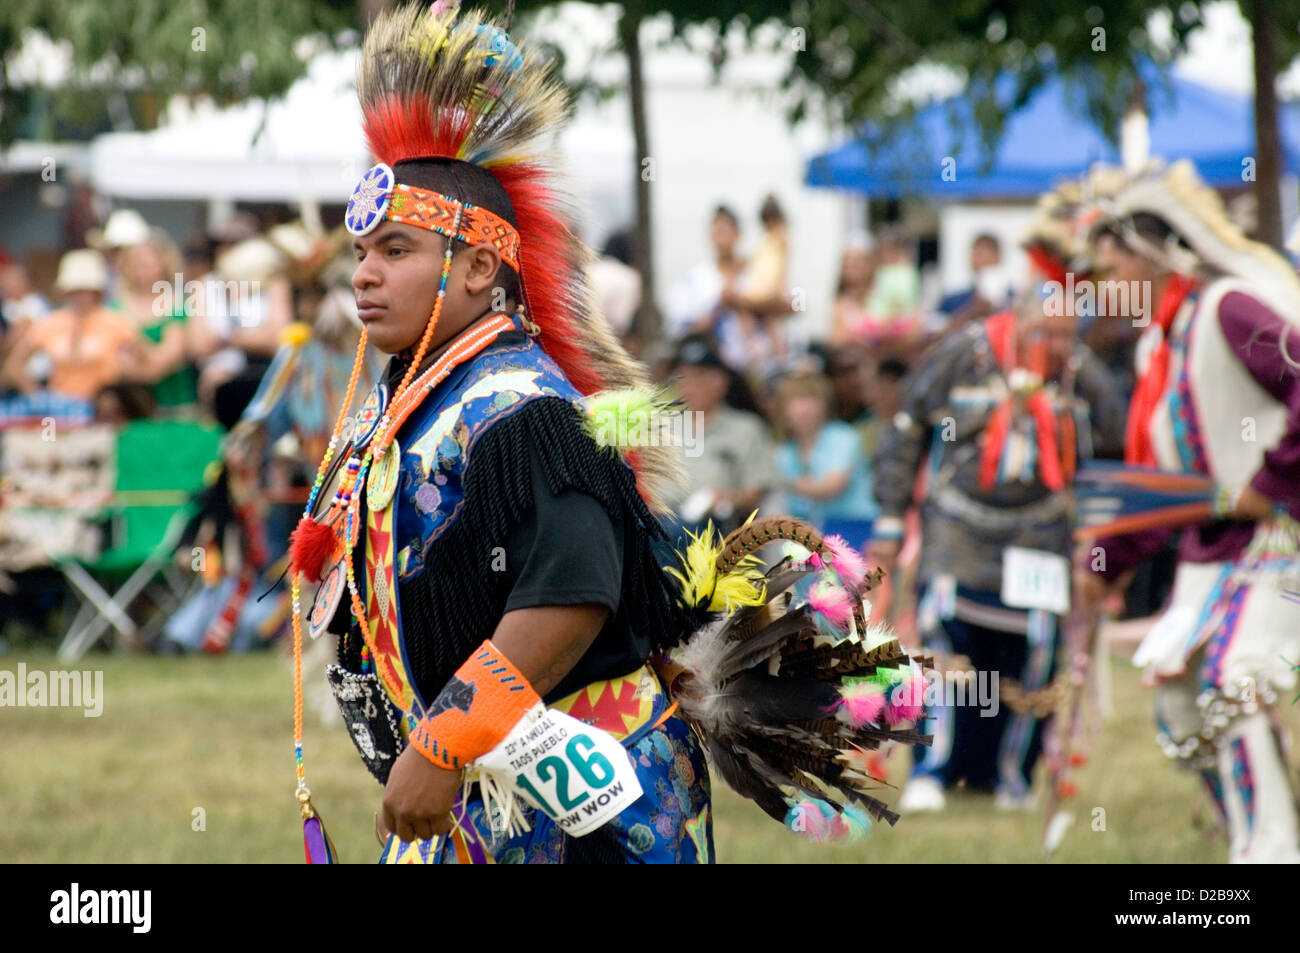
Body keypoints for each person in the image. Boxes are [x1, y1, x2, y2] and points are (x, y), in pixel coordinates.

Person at [289, 3, 713, 864]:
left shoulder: (523, 410)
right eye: (360, 253)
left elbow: (573, 590)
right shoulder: (416, 399)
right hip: (484, 791)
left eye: (396, 251)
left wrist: (443, 739)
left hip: (592, 804)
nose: (364, 276)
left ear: (481, 267)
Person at [1079, 160, 1300, 863]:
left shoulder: (1228, 308)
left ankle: (1271, 851)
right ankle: (1252, 829)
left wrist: (1272, 477)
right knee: (1180, 706)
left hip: (1280, 532)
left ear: (1153, 258)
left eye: (1112, 270)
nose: (1105, 288)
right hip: (1218, 548)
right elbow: (1167, 486)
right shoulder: (1160, 345)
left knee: (1234, 679)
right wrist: (1105, 563)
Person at [870, 272, 1126, 812]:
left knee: (1032, 650)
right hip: (958, 528)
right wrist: (892, 518)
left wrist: (1102, 540)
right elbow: (907, 424)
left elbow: (1118, 444)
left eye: (1066, 335)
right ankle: (932, 769)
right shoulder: (965, 353)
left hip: (1040, 530)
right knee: (944, 639)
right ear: (1019, 321)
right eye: (1047, 334)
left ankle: (1009, 775)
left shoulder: (1080, 371)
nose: (1058, 348)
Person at [666, 334, 775, 534]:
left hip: (714, 526)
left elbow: (756, 491)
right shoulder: (659, 425)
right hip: (658, 519)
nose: (687, 386)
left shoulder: (745, 428)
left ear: (720, 383)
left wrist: (724, 498)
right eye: (682, 377)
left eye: (698, 378)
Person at [1, 249, 141, 403]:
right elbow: (15, 364)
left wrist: (123, 374)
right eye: (76, 290)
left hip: (103, 408)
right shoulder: (50, 323)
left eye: (87, 289)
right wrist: (37, 396)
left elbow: (143, 361)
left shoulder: (116, 321)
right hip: (63, 410)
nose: (82, 295)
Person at [774, 370, 878, 548]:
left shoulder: (843, 436)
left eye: (812, 399)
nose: (805, 408)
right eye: (796, 400)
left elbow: (833, 487)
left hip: (853, 526)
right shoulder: (785, 450)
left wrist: (788, 483)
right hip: (806, 531)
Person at [109, 235, 198, 412]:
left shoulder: (178, 305)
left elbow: (168, 359)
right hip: (129, 409)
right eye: (137, 263)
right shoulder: (114, 308)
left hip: (175, 406)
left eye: (148, 263)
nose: (142, 269)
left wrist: (136, 343)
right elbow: (114, 363)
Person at [665, 205, 750, 369]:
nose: (721, 238)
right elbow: (680, 333)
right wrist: (721, 305)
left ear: (738, 234)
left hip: (758, 367)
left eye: (725, 231)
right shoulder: (694, 281)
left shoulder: (756, 274)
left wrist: (751, 302)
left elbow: (792, 306)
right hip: (713, 368)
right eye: (717, 231)